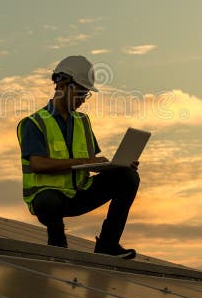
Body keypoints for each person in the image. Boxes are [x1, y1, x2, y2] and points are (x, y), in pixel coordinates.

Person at [17, 55, 140, 259]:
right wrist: (82, 162)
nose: (84, 98)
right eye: (82, 92)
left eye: (86, 93)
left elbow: (90, 161)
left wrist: (118, 166)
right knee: (49, 201)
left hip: (79, 193)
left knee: (128, 177)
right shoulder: (34, 123)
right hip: (48, 198)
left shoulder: (82, 121)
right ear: (64, 84)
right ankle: (57, 247)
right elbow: (37, 164)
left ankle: (107, 246)